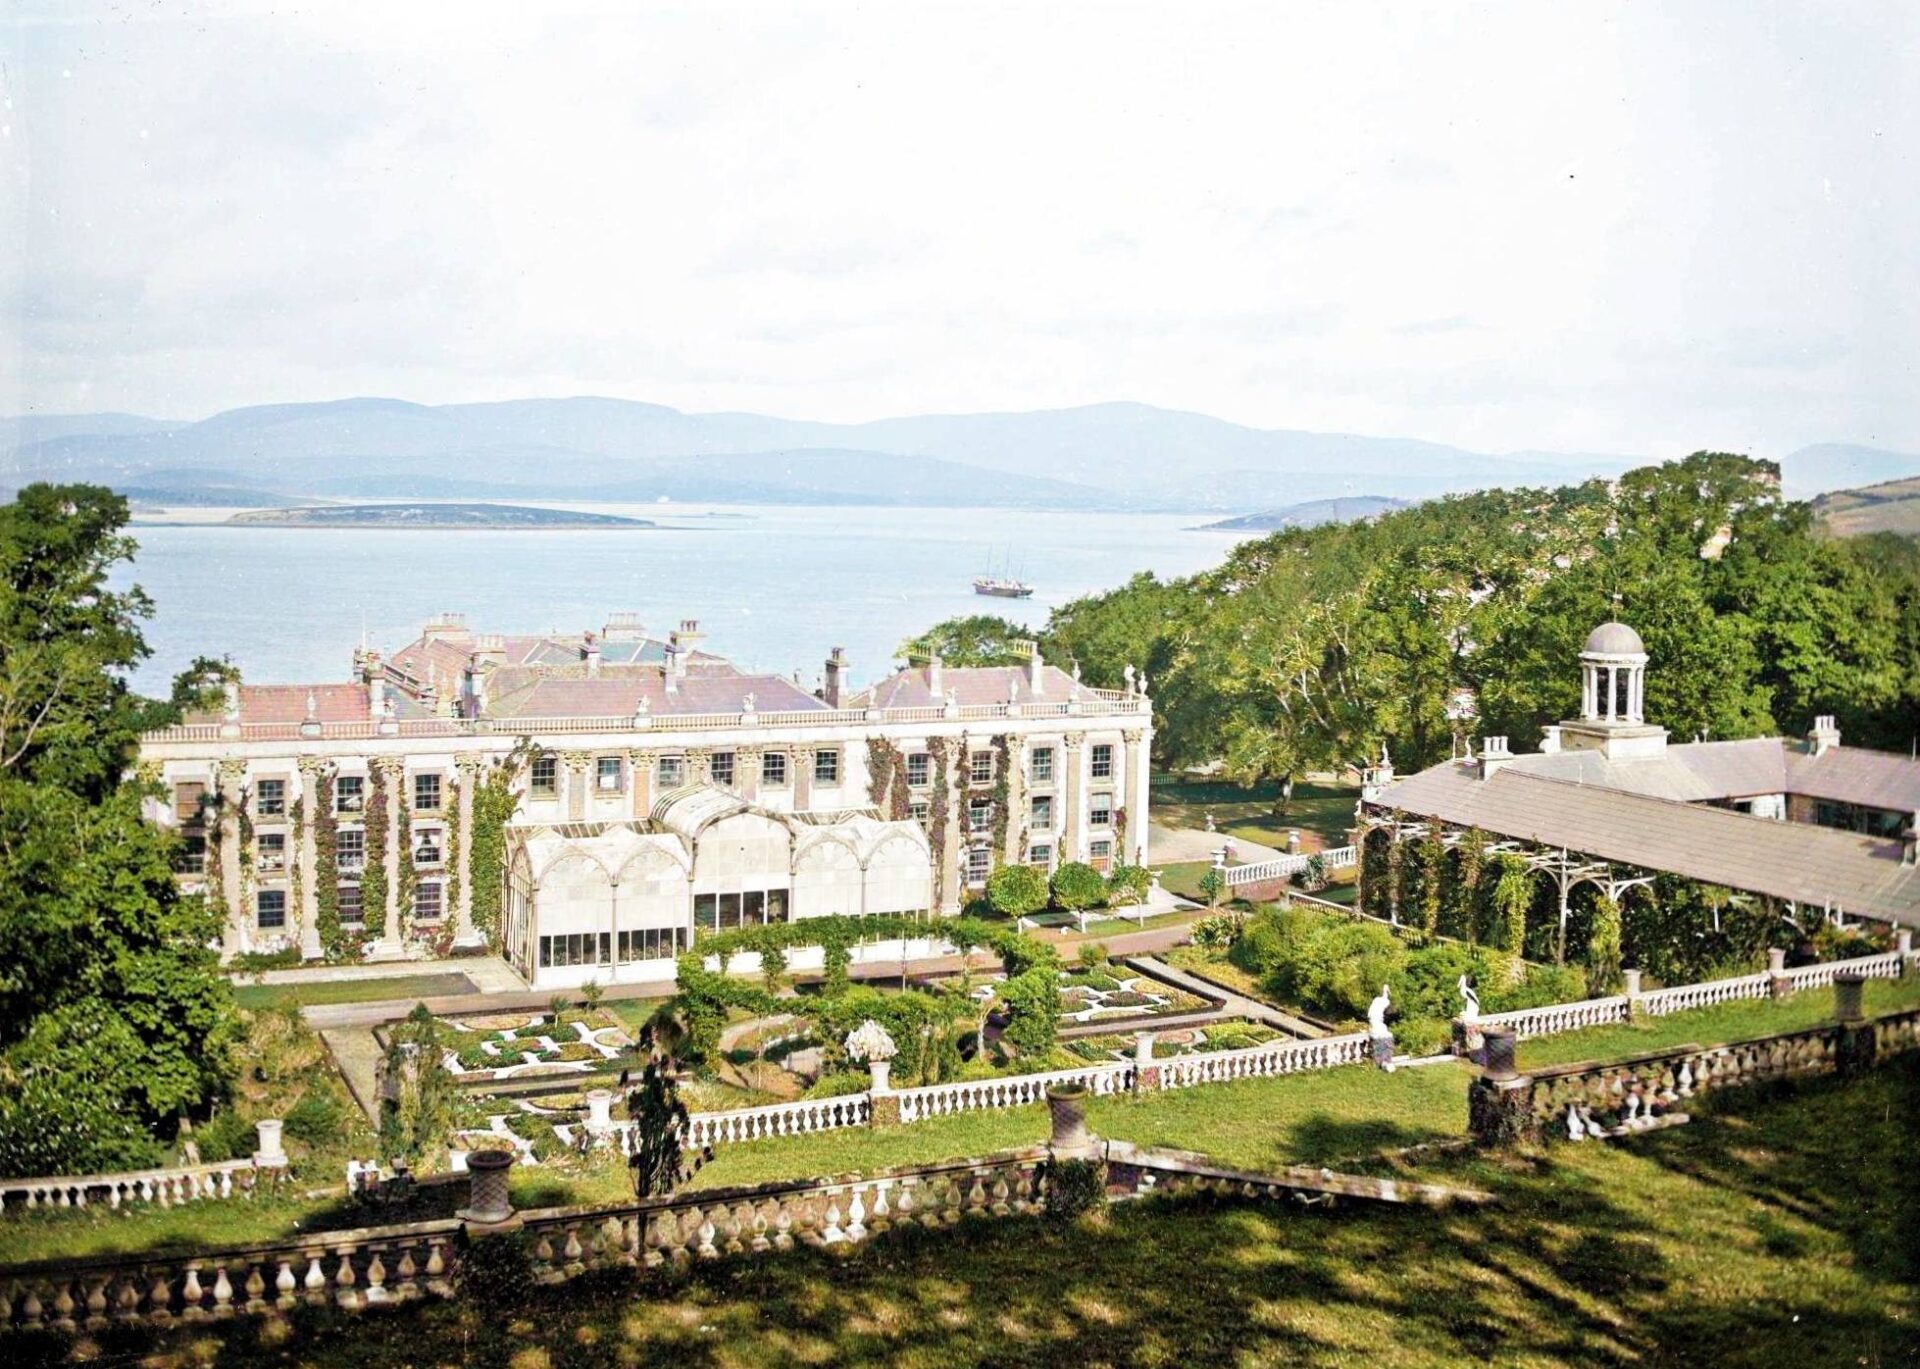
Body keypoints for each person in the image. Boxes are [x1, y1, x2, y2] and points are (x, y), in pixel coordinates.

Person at [1368, 984, 1395, 1071]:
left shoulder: (1380, 1000)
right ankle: (1382, 1059)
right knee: (1383, 1032)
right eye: (1387, 989)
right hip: (1376, 1018)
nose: (1388, 990)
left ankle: (1384, 1060)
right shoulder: (1382, 1001)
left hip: (1378, 1019)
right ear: (1384, 989)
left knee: (1384, 1031)